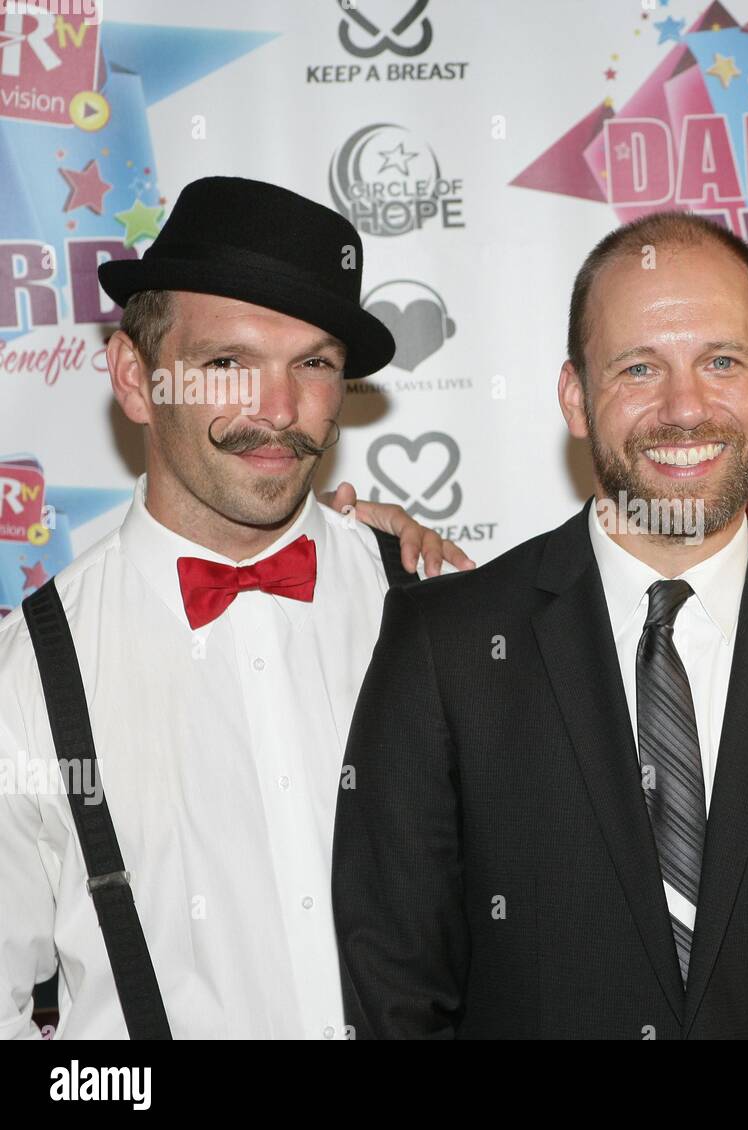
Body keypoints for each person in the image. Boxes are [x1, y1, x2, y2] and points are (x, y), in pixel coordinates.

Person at [332, 212, 748, 1039]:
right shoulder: (444, 648)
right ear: (575, 397)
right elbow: (397, 996)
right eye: (639, 367)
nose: (685, 409)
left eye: (721, 361)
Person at [0, 176, 461, 1039]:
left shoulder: (438, 607)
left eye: (314, 365)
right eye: (227, 364)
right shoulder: (26, 679)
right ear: (136, 379)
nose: (279, 411)